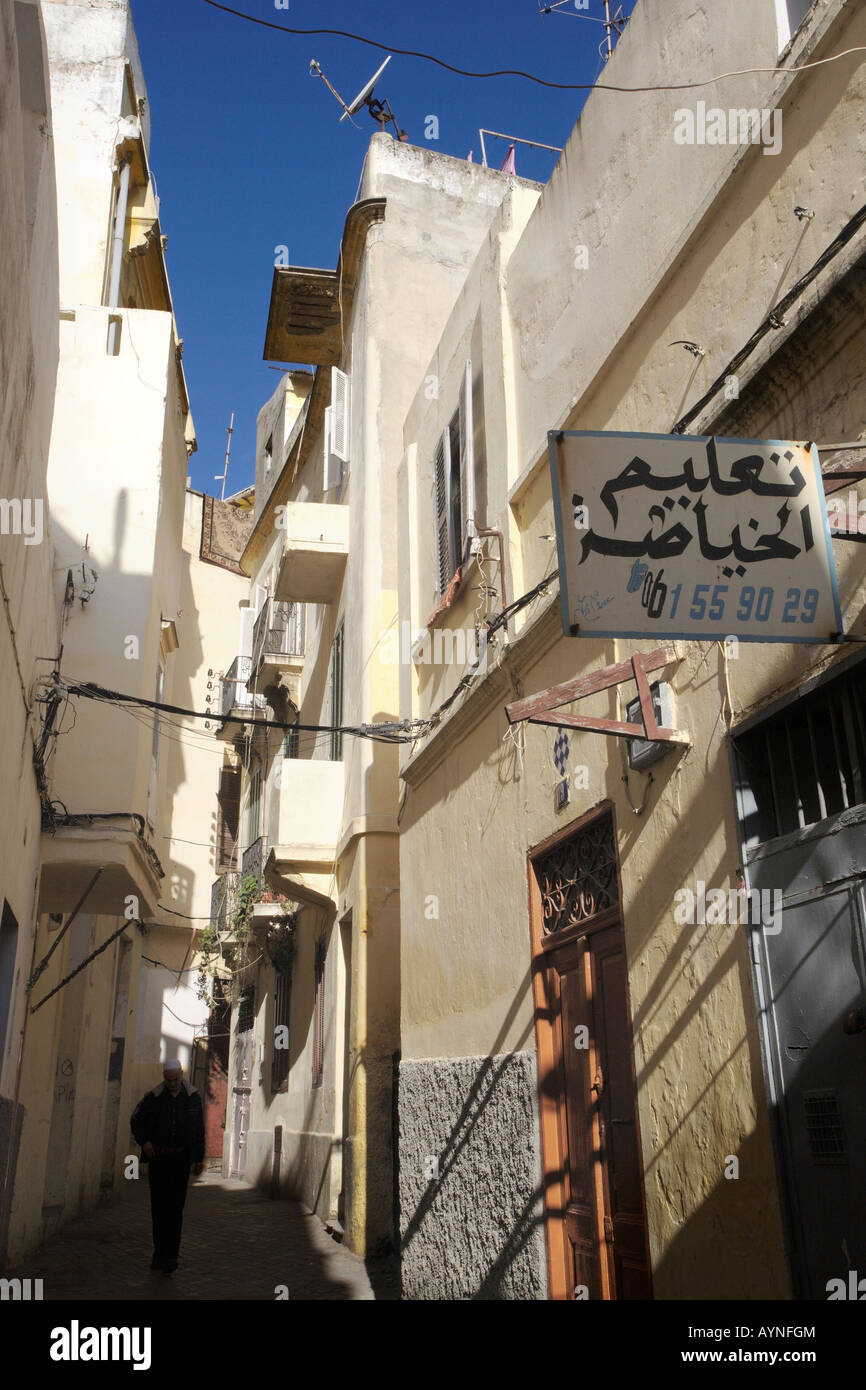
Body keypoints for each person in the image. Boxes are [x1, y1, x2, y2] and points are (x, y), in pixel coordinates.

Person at [131, 1059, 204, 1274]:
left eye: (176, 1079)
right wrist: (145, 1141)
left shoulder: (192, 1098)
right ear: (165, 1078)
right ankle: (159, 1252)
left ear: (181, 1075)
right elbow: (136, 1121)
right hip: (159, 1161)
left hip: (180, 1161)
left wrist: (199, 1158)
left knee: (176, 1209)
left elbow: (199, 1130)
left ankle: (172, 1255)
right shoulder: (153, 1098)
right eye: (169, 1080)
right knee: (159, 1208)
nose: (173, 1083)